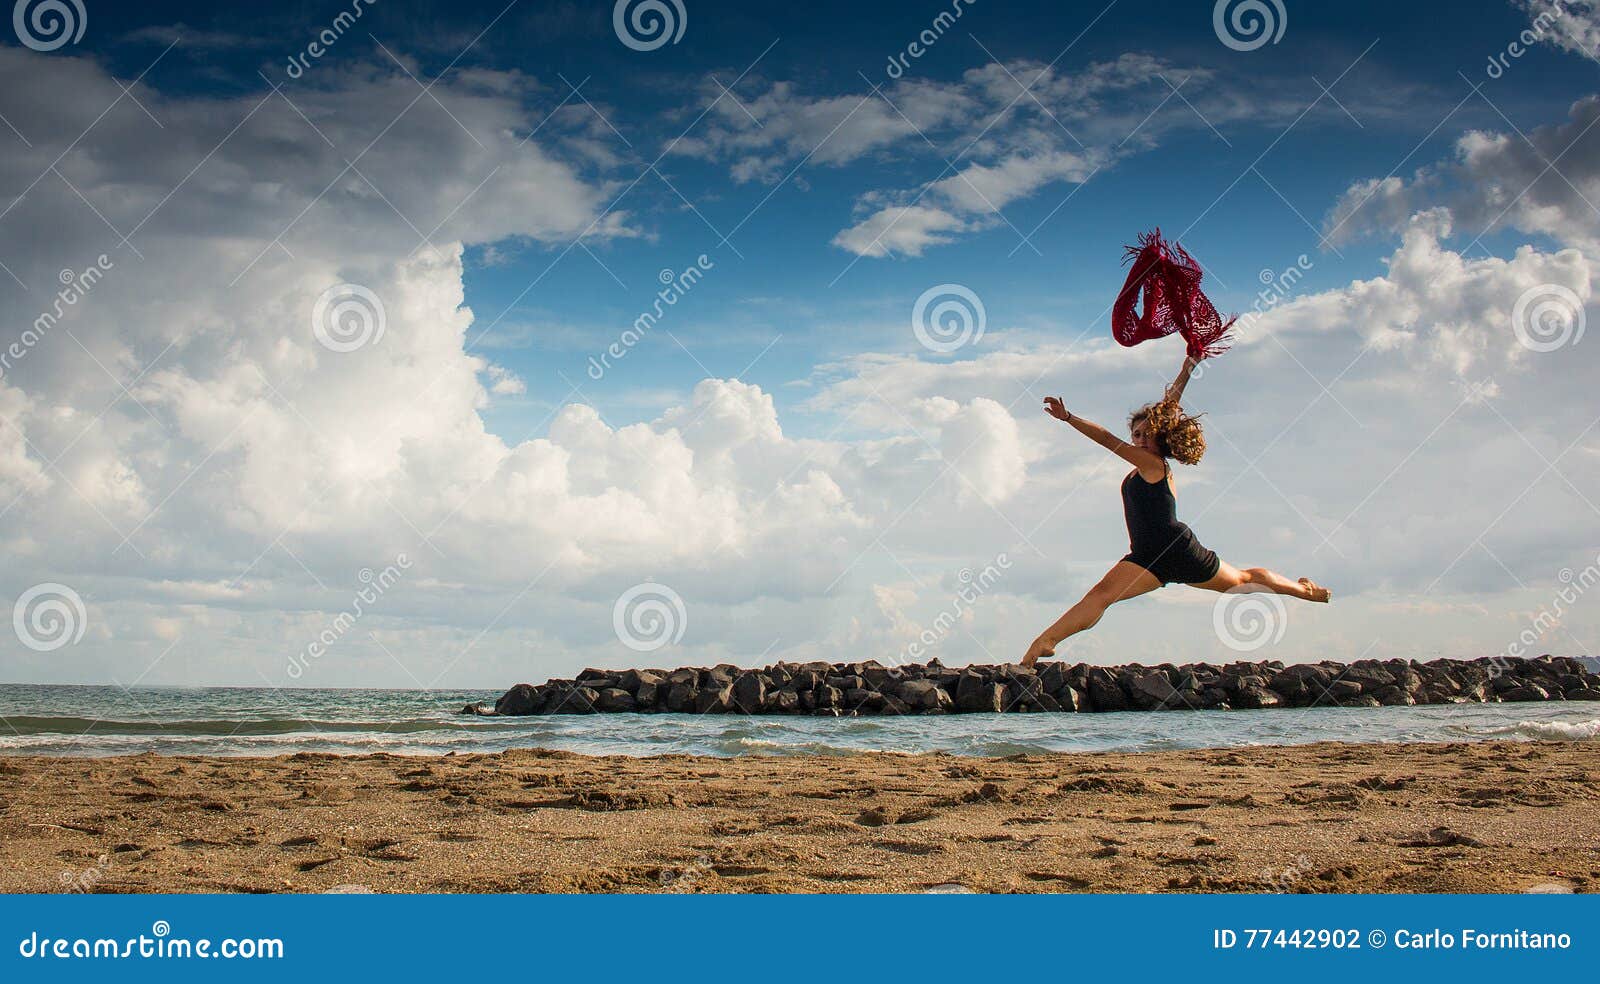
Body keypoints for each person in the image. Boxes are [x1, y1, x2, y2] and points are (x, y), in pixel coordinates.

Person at [1022, 354, 1330, 666]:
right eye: (1136, 435)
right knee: (1101, 596)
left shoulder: (1154, 465)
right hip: (1146, 558)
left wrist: (1069, 417)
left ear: (1160, 437)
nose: (1139, 440)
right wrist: (1186, 370)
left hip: (1177, 550)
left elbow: (1106, 438)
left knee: (1241, 581)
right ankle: (1044, 643)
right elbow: (1168, 406)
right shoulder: (1141, 468)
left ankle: (1303, 590)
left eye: (1146, 434)